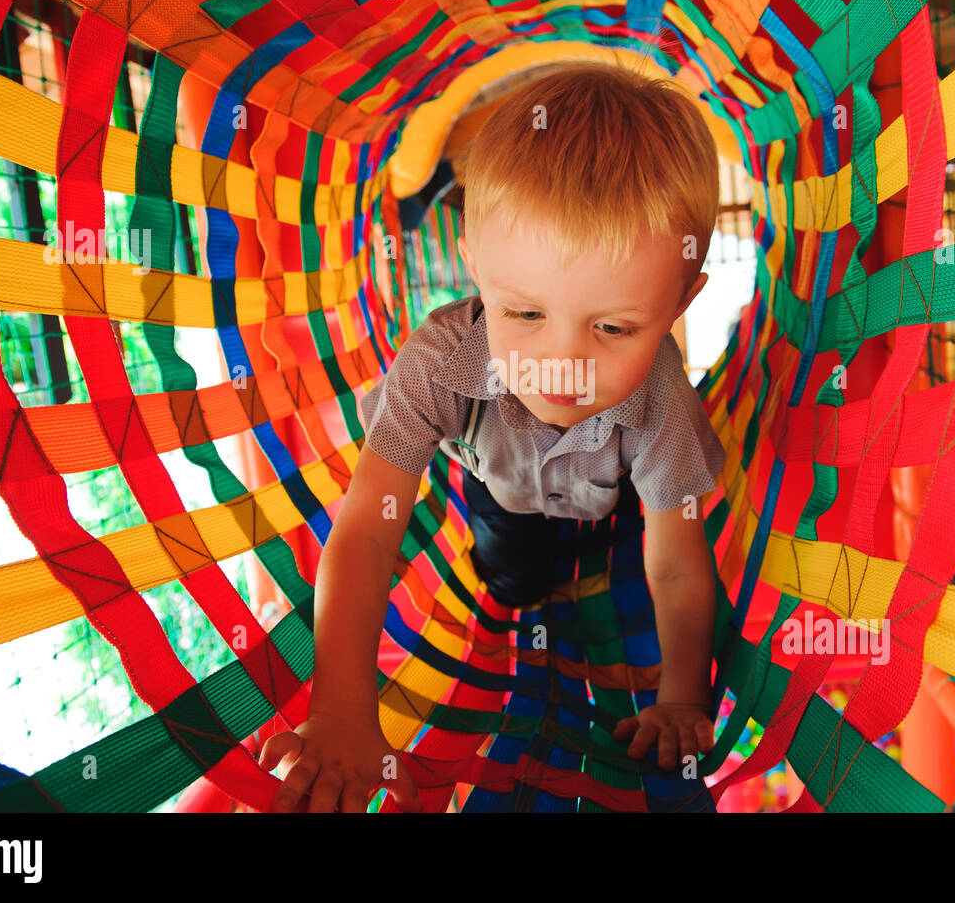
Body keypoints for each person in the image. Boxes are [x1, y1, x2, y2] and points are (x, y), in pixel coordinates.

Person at [259, 59, 725, 813]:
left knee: (639, 549)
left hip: (620, 493)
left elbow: (677, 560)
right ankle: (530, 578)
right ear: (474, 271)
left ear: (681, 297)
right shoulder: (439, 362)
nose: (563, 364)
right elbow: (368, 528)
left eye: (612, 326)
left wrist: (679, 695)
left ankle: (594, 551)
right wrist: (343, 707)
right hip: (503, 489)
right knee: (516, 574)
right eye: (526, 314)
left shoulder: (662, 392)